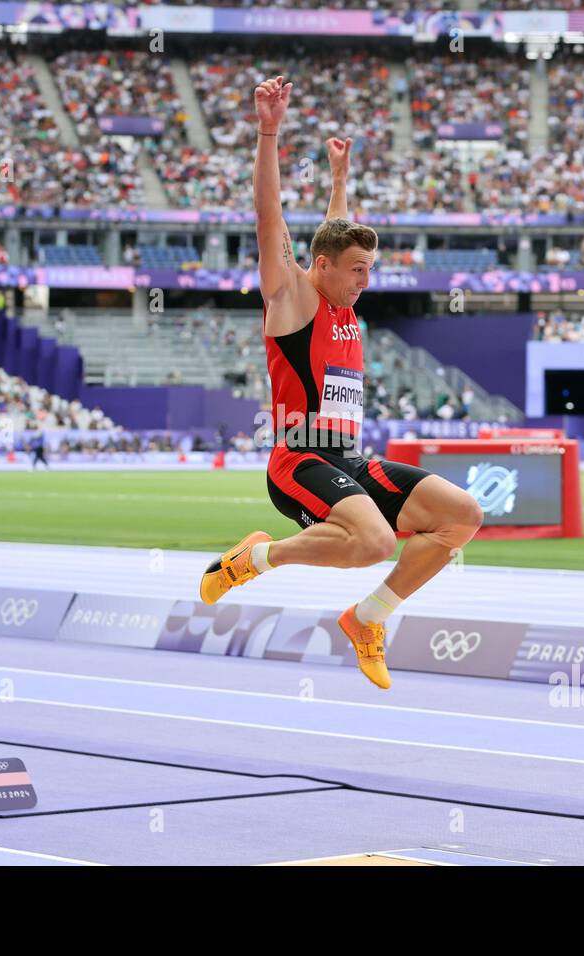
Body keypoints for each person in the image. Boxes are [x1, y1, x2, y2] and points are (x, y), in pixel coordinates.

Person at [198, 76, 483, 691]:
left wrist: (338, 179)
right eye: (358, 271)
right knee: (374, 540)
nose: (366, 281)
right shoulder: (291, 297)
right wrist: (269, 129)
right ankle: (254, 558)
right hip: (299, 460)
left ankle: (367, 618)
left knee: (461, 515)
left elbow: (336, 234)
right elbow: (268, 215)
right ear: (322, 268)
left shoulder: (341, 301)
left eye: (370, 270)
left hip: (350, 461)